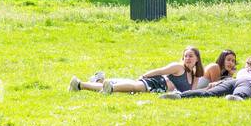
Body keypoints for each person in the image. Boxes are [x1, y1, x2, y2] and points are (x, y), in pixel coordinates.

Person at [71, 46, 205, 95]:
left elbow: (191, 92)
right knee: (134, 87)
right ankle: (111, 87)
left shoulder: (194, 75)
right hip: (158, 83)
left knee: (127, 88)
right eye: (185, 55)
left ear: (197, 59)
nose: (187, 58)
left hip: (161, 89)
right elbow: (161, 71)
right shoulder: (178, 67)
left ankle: (79, 84)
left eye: (190, 56)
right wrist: (146, 75)